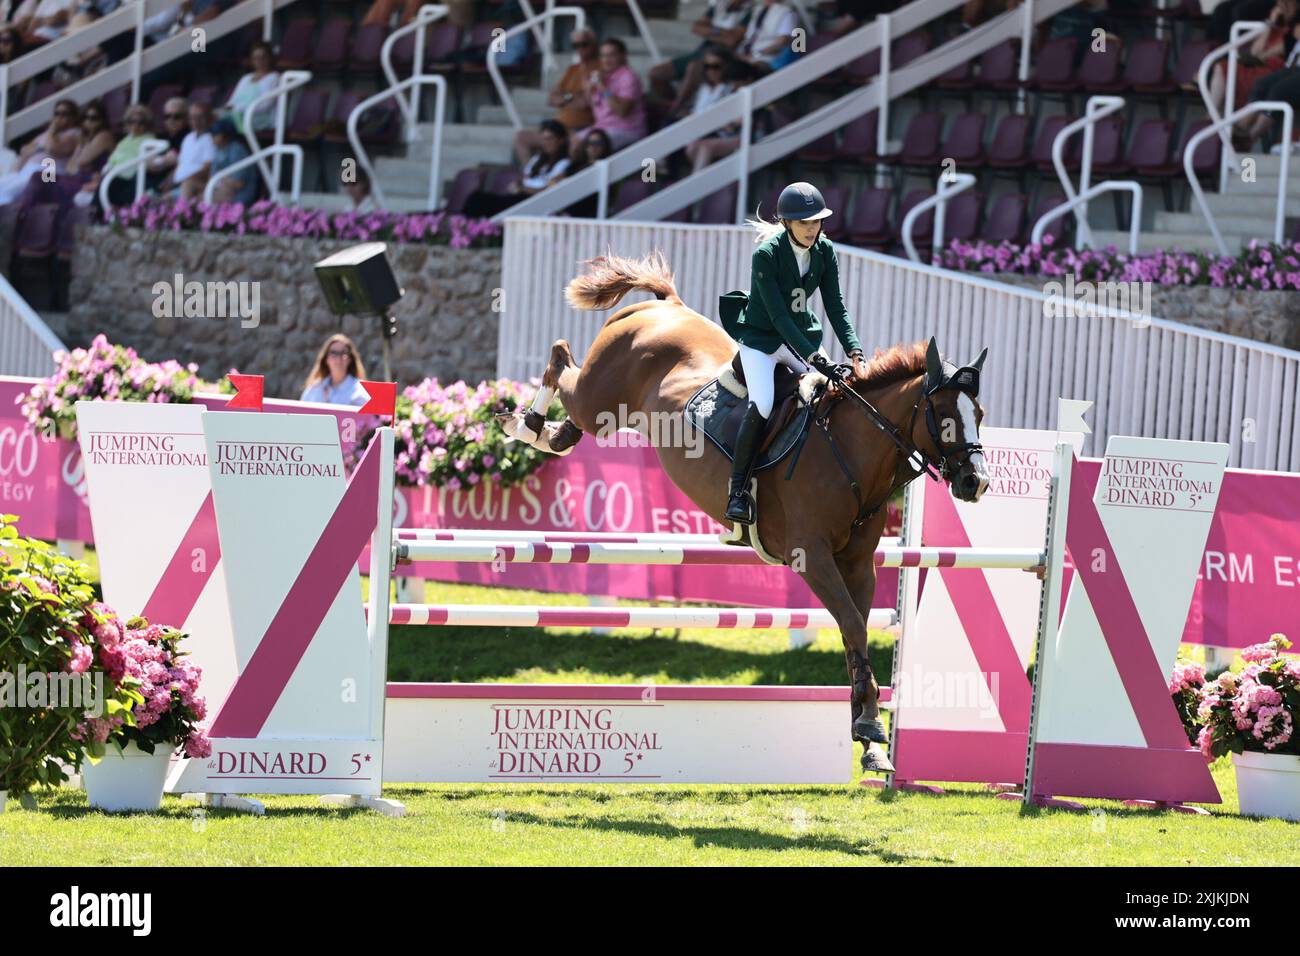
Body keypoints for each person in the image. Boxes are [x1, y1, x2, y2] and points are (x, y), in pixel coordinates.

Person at [716, 182, 869, 525]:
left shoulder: (825, 250)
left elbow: (836, 307)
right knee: (764, 403)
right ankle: (738, 491)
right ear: (787, 223)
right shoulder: (766, 255)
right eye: (805, 223)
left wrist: (854, 350)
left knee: (834, 395)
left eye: (817, 221)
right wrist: (815, 359)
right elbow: (778, 318)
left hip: (802, 335)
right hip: (762, 341)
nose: (812, 228)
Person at [512, 28, 598, 166]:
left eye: (584, 44)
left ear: (593, 45)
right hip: (558, 127)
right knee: (521, 137)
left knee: (570, 144)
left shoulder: (599, 68)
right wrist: (571, 97)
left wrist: (564, 98)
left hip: (580, 128)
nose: (580, 49)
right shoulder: (573, 69)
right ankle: (531, 177)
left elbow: (584, 103)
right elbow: (552, 99)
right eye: (575, 46)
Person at [648, 0, 751, 109]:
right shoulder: (720, 5)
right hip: (703, 51)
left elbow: (731, 40)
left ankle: (675, 110)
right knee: (656, 73)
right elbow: (696, 27)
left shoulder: (750, 10)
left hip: (724, 55)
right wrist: (720, 32)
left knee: (694, 67)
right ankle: (678, 108)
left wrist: (709, 31)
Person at [465, 120, 571, 217]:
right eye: (543, 139)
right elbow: (524, 179)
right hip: (519, 197)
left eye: (550, 139)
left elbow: (548, 192)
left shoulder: (564, 163)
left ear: (560, 140)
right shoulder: (537, 159)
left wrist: (522, 189)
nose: (546, 143)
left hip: (533, 202)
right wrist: (517, 185)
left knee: (479, 201)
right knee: (476, 197)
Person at [1210, 0, 1294, 113]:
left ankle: (1217, 120)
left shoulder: (1292, 31)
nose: (1278, 7)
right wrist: (1269, 23)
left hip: (1276, 67)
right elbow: (1255, 52)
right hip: (1260, 64)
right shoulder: (1274, 27)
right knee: (1221, 67)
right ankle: (1211, 117)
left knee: (1226, 71)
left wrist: (1260, 57)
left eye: (1282, 5)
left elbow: (1269, 53)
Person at [569, 38, 647, 160]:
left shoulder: (629, 77)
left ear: (622, 56)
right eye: (603, 55)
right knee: (574, 140)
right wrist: (587, 89)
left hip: (626, 130)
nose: (606, 60)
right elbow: (583, 104)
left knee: (592, 143)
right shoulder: (603, 75)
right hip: (603, 127)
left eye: (611, 55)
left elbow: (621, 111)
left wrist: (602, 87)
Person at [0, 99, 80, 205]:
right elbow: (25, 151)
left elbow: (52, 148)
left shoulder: (74, 134)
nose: (59, 117)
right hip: (26, 171)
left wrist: (52, 129)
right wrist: (41, 147)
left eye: (65, 114)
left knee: (8, 192)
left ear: (73, 116)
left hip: (47, 172)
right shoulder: (46, 134)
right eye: (57, 113)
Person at [84, 102, 152, 207]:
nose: (136, 125)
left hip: (128, 180)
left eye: (141, 122)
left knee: (105, 186)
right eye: (132, 121)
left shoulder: (149, 140)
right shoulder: (124, 141)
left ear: (147, 124)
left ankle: (94, 217)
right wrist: (102, 175)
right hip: (112, 177)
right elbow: (111, 161)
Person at [222, 40, 279, 135]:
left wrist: (238, 109)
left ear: (270, 58)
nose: (260, 61)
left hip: (258, 118)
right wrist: (228, 107)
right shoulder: (246, 78)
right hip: (237, 115)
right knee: (213, 118)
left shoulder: (273, 78)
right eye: (256, 58)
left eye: (263, 57)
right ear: (252, 60)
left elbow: (265, 105)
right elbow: (233, 100)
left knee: (220, 125)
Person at [734, 0, 799, 76]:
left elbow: (782, 42)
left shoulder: (787, 12)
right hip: (746, 54)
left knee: (748, 70)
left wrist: (755, 55)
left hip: (766, 58)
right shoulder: (758, 9)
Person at [166, 99, 216, 199]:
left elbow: (208, 169)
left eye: (200, 117)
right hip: (178, 185)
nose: (195, 121)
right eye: (192, 117)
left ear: (209, 118)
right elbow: (180, 164)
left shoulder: (212, 139)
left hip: (195, 187)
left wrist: (186, 180)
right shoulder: (187, 138)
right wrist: (168, 181)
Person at [301, 334, 370, 405]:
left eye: (344, 353)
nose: (338, 359)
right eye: (333, 353)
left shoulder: (361, 391)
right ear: (326, 359)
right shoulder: (313, 390)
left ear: (350, 359)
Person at [563, 128, 612, 217]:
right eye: (589, 143)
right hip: (567, 208)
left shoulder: (610, 168)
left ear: (605, 146)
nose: (593, 147)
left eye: (598, 143)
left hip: (588, 211)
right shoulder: (574, 165)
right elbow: (559, 181)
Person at [208, 115, 257, 205]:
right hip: (226, 190)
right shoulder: (218, 149)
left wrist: (221, 177)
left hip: (242, 195)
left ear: (225, 135)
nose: (212, 136)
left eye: (215, 134)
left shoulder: (237, 150)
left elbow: (239, 184)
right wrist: (223, 178)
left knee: (205, 198)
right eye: (212, 133)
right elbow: (212, 177)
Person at [145, 96, 188, 192]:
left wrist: (160, 162)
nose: (171, 120)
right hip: (153, 176)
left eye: (177, 116)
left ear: (186, 117)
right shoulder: (160, 136)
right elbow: (148, 161)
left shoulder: (188, 137)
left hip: (174, 181)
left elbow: (177, 160)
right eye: (167, 116)